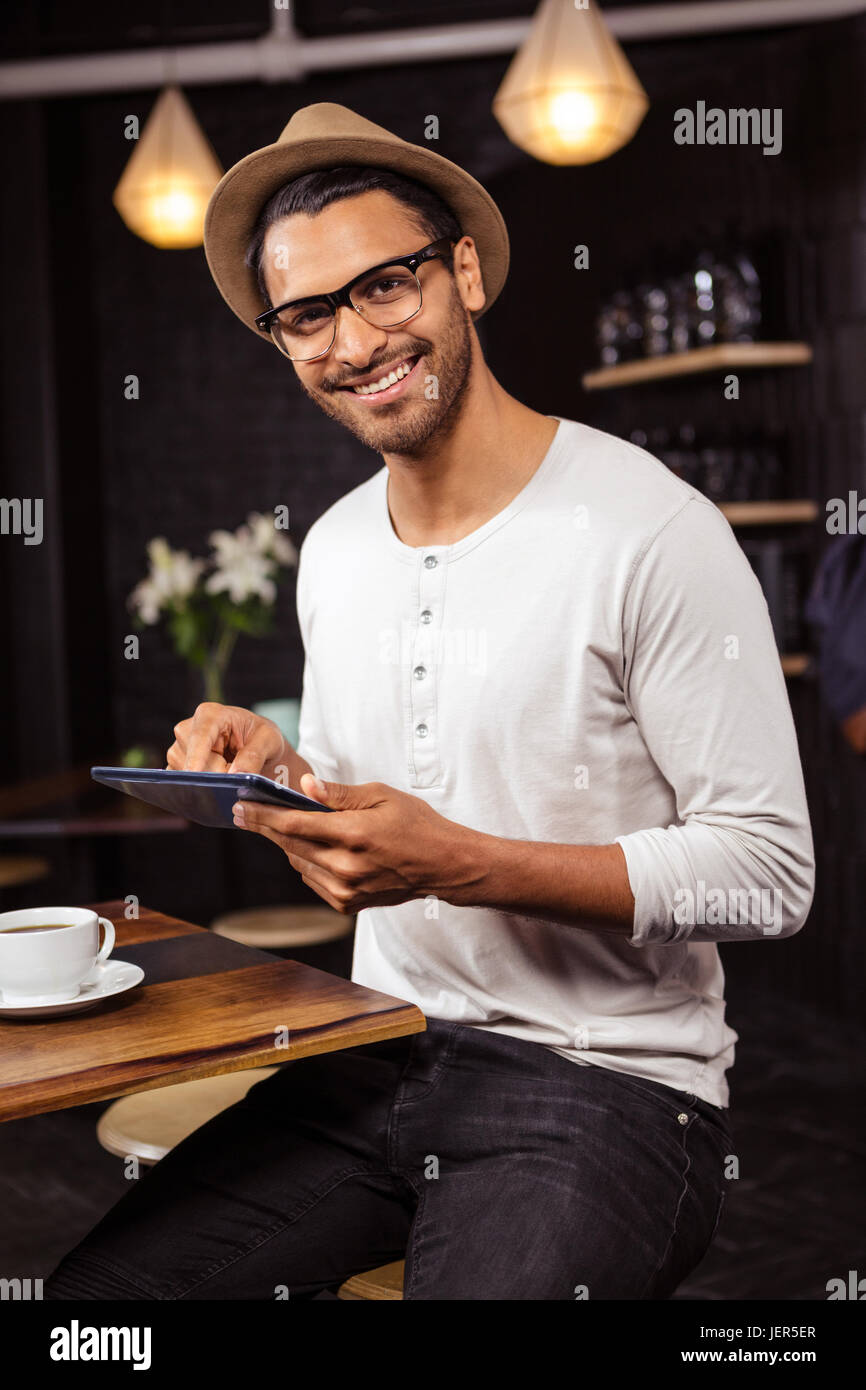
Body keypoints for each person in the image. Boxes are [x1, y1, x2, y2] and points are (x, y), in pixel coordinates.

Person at [45, 103, 814, 1301]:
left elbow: (766, 875)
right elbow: (378, 806)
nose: (353, 341)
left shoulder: (651, 528)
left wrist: (454, 861)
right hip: (371, 1054)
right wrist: (277, 773)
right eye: (306, 313)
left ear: (462, 272)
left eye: (385, 284)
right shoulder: (337, 547)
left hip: (605, 1087)